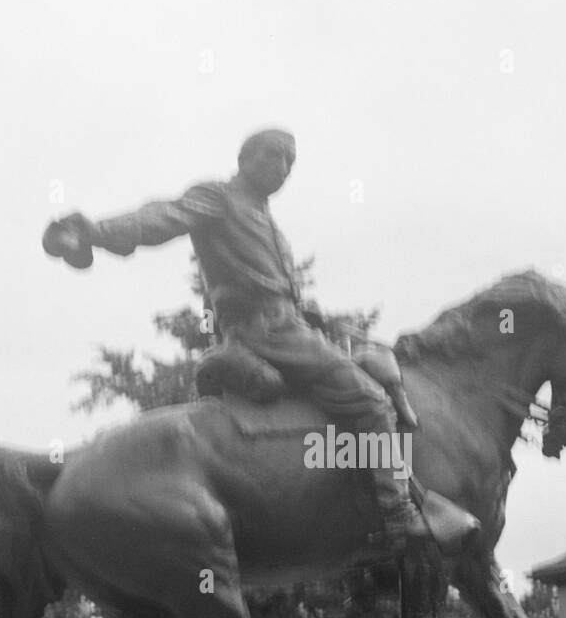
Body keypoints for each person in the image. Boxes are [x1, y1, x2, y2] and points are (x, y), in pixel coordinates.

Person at [44, 129, 441, 550]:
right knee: (372, 401)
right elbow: (160, 217)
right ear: (245, 159)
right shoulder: (219, 198)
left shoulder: (264, 217)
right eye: (274, 156)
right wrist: (94, 233)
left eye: (290, 161)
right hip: (266, 334)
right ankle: (399, 515)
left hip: (289, 328)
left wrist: (319, 322)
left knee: (374, 365)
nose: (283, 168)